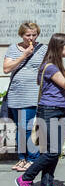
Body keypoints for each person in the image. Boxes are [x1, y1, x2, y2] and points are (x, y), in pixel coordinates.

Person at [15, 33, 65, 186]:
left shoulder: (56, 65)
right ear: (59, 47)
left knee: (53, 153)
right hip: (49, 112)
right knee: (51, 151)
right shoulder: (50, 67)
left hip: (59, 111)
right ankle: (25, 178)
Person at [4, 21, 47, 171]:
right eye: (27, 35)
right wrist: (24, 55)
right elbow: (6, 68)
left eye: (34, 35)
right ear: (21, 35)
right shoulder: (13, 49)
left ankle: (32, 158)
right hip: (16, 94)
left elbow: (48, 68)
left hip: (31, 94)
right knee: (19, 127)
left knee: (26, 127)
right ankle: (22, 158)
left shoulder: (43, 49)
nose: (31, 38)